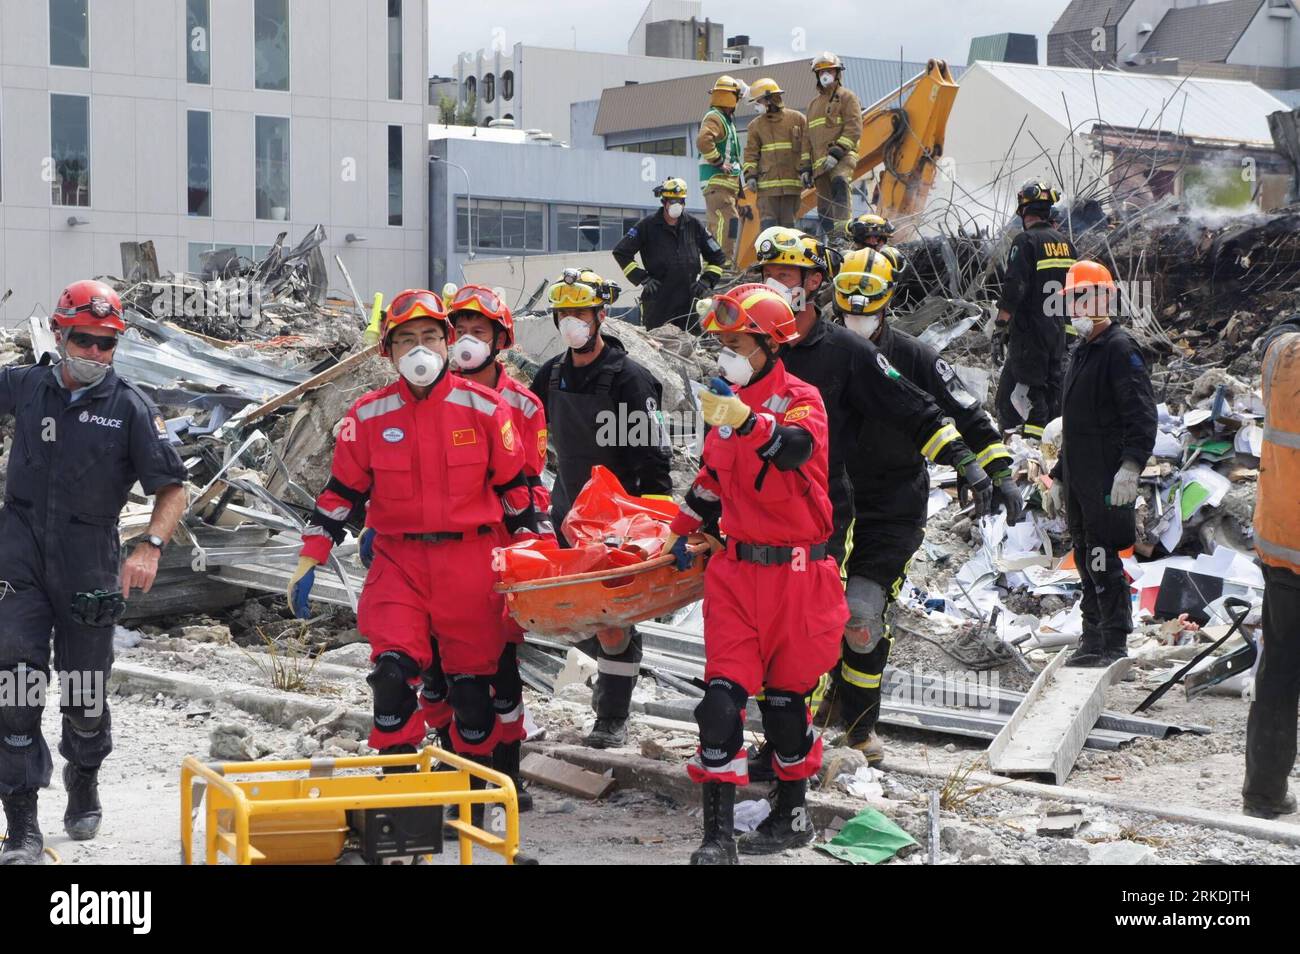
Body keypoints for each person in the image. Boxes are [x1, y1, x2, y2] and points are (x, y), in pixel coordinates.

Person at [748, 228, 992, 773]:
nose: (774, 286)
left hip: (872, 508)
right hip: (789, 516)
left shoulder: (850, 352)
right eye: (767, 276)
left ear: (814, 283)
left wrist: (971, 463)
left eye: (785, 276)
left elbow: (919, 410)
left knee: (855, 621)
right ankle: (788, 741)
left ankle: (856, 727)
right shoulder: (757, 348)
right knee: (786, 630)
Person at [288, 289, 540, 780]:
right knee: (390, 675)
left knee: (471, 693)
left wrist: (532, 551)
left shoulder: (488, 410)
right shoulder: (367, 415)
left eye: (429, 336)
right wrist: (311, 553)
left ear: (447, 343)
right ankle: (402, 807)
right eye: (406, 340)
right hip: (398, 563)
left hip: (471, 564)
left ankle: (473, 803)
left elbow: (516, 491)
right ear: (389, 351)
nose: (419, 349)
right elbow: (342, 491)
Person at [0, 280, 187, 864]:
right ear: (60, 334)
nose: (96, 354)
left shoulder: (129, 407)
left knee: (84, 691)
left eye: (108, 343)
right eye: (85, 340)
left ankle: (83, 778)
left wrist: (150, 546)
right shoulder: (25, 386)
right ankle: (22, 821)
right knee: (15, 686)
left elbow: (172, 486)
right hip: (20, 558)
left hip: (89, 564)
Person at [667, 284, 848, 863]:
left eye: (737, 342)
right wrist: (679, 526)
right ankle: (716, 838)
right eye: (721, 343)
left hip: (800, 577)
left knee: (786, 705)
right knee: (719, 702)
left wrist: (747, 422)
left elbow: (794, 450)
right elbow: (713, 480)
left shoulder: (801, 398)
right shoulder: (725, 408)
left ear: (769, 345)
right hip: (738, 574)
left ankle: (791, 815)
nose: (726, 353)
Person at [834, 247, 1016, 761]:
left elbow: (968, 417)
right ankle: (807, 717)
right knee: (808, 618)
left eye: (867, 312)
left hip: (891, 506)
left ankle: (859, 726)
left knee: (861, 619)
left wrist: (998, 473)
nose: (858, 321)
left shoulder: (915, 358)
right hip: (823, 504)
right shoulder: (818, 351)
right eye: (849, 310)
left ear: (887, 305)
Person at [402, 283, 553, 810]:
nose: (466, 340)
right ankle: (459, 777)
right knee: (442, 673)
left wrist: (534, 545)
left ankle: (507, 782)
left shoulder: (522, 405)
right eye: (459, 330)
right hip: (439, 556)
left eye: (477, 331)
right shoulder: (424, 396)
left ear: (500, 339)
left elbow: (527, 483)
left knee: (500, 673)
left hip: (499, 551)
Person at [530, 269, 674, 748]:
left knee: (613, 624)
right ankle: (622, 663)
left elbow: (654, 457)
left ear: (600, 316)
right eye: (564, 313)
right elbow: (525, 435)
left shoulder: (630, 380)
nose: (571, 322)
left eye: (580, 313)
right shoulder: (550, 375)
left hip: (617, 520)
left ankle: (611, 716)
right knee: (569, 614)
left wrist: (656, 530)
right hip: (566, 510)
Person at [1043, 262, 1155, 669]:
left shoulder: (1119, 349)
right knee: (1086, 557)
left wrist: (1131, 466)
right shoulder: (1084, 350)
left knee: (1103, 559)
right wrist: (1058, 477)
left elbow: (1142, 415)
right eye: (1071, 300)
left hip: (1107, 478)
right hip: (1080, 478)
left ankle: (1113, 641)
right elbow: (1076, 425)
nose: (1073, 308)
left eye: (1079, 299)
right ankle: (1093, 638)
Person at [1243, 314, 1300, 819]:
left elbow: (1277, 331)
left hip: (1285, 552)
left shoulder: (1282, 356)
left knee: (1279, 675)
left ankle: (1262, 794)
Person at [994, 180, 1077, 441]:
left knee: (1031, 393)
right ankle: (1044, 441)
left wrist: (1000, 326)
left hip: (1031, 333)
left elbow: (1014, 286)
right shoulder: (1066, 243)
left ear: (1023, 210)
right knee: (1049, 391)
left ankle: (1032, 448)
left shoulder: (1026, 240)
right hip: (1059, 332)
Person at [613, 178, 727, 332]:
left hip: (688, 301)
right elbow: (621, 252)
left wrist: (706, 282)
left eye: (680, 201)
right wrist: (642, 278)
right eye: (673, 201)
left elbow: (717, 256)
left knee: (690, 347)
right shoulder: (647, 226)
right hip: (658, 302)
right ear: (664, 202)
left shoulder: (693, 225)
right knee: (658, 345)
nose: (677, 205)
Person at [806, 52, 862, 241]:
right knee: (824, 207)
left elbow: (854, 129)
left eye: (829, 70)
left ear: (837, 73)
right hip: (820, 165)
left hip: (842, 158)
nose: (825, 75)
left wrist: (836, 153)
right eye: (821, 71)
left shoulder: (847, 97)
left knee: (840, 182)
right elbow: (808, 140)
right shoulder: (813, 105)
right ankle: (832, 241)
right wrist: (806, 168)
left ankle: (844, 237)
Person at [742, 78, 811, 230]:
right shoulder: (755, 126)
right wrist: (750, 175)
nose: (756, 106)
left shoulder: (797, 119)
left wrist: (807, 169)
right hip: (767, 188)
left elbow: (808, 146)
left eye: (758, 101)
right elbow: (750, 154)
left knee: (788, 228)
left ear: (770, 99)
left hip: (791, 185)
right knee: (768, 227)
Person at [697, 75, 749, 265]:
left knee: (729, 222)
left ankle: (723, 262)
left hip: (726, 186)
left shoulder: (725, 120)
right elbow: (703, 140)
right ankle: (718, 263)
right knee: (723, 222)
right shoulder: (715, 118)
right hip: (717, 182)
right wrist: (718, 162)